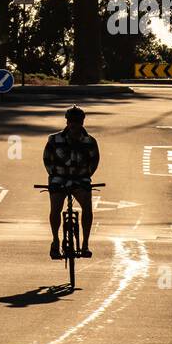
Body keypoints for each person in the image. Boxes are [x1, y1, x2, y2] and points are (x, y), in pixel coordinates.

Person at [43, 106, 100, 259]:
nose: (74, 125)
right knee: (55, 208)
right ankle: (55, 241)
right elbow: (47, 159)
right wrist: (54, 175)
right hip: (58, 179)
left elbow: (94, 161)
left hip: (81, 180)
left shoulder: (90, 141)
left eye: (78, 122)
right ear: (67, 122)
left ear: (82, 122)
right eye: (71, 122)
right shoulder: (54, 139)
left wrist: (86, 175)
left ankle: (85, 244)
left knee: (87, 208)